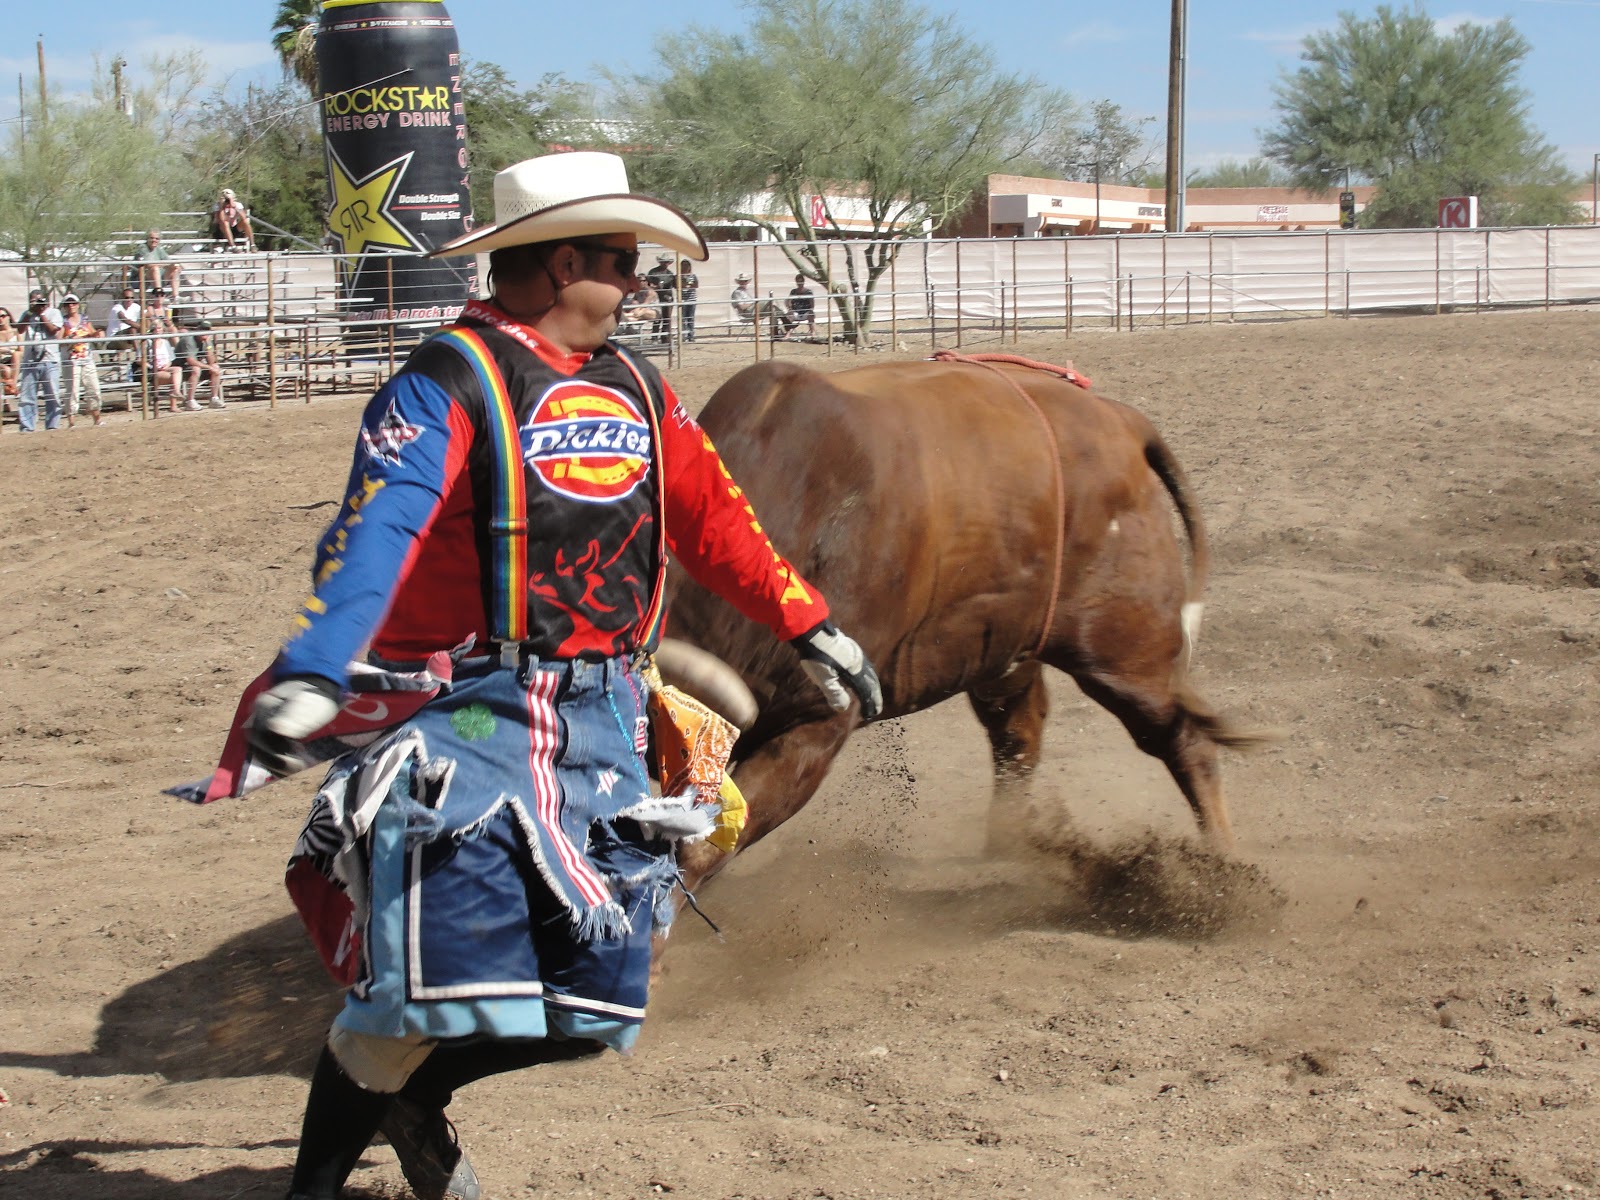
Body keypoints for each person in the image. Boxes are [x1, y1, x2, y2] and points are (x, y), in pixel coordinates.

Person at [240, 150, 882, 1200]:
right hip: (474, 721)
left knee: (602, 1000)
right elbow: (382, 526)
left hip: (605, 718)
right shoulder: (446, 380)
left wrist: (810, 623)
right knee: (423, 994)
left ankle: (407, 1097)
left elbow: (713, 520)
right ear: (563, 265)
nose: (637, 283)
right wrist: (316, 665)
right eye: (622, 262)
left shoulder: (638, 388)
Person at [16, 290, 63, 432]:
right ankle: (27, 427)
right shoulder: (27, 314)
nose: (36, 303)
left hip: (50, 359)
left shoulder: (54, 312)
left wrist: (41, 314)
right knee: (27, 396)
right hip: (30, 360)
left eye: (39, 300)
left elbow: (52, 330)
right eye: (33, 300)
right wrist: (30, 313)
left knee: (52, 394)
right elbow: (20, 329)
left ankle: (52, 425)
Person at [59, 294, 104, 428]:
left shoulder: (85, 319)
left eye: (73, 303)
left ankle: (97, 418)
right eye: (68, 304)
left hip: (86, 359)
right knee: (72, 391)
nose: (71, 306)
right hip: (71, 360)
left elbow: (91, 333)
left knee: (93, 388)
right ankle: (72, 421)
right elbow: (58, 340)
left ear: (78, 305)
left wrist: (98, 334)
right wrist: (69, 340)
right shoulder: (63, 322)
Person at [172, 313, 225, 408]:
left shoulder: (207, 341)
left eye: (207, 330)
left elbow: (212, 361)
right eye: (203, 329)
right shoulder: (188, 339)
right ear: (197, 329)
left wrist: (208, 346)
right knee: (196, 369)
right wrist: (209, 367)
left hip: (195, 367)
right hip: (180, 367)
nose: (205, 332)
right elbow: (190, 360)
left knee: (215, 367)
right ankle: (190, 400)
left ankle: (214, 398)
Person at [136, 230, 182, 298]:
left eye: (157, 239)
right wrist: (166, 265)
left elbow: (168, 261)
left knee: (175, 269)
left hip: (158, 277)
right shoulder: (143, 248)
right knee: (155, 268)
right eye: (151, 238)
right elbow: (149, 264)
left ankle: (176, 297)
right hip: (143, 278)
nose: (154, 240)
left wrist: (174, 266)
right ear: (147, 239)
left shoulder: (158, 248)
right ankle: (159, 295)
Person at [643, 252, 676, 343]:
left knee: (667, 318)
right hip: (656, 297)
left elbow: (673, 285)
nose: (664, 264)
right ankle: (654, 337)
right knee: (657, 317)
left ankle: (665, 337)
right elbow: (648, 284)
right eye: (663, 262)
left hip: (667, 297)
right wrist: (655, 287)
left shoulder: (670, 274)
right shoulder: (653, 272)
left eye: (666, 262)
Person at [105, 287, 142, 360]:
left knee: (145, 328)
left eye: (132, 298)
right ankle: (139, 354)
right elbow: (125, 320)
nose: (129, 300)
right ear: (122, 298)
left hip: (127, 338)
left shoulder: (135, 306)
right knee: (132, 329)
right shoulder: (117, 308)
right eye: (127, 298)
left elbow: (147, 314)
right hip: (113, 339)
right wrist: (142, 328)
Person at [787, 273, 816, 338]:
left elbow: (812, 304)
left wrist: (811, 310)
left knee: (811, 314)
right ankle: (788, 333)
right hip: (796, 312)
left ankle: (812, 332)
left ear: (803, 282)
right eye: (798, 282)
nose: (800, 284)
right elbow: (789, 301)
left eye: (801, 282)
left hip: (806, 312)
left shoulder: (808, 292)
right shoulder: (793, 292)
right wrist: (790, 309)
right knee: (789, 315)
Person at [0, 307, 18, 411]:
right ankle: (12, 387)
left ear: (8, 317)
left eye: (3, 316)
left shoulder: (16, 332)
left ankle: (12, 385)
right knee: (6, 370)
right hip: (1, 361)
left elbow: (21, 349)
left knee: (16, 355)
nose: (1, 318)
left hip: (13, 361)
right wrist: (9, 350)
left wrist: (6, 350)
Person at [677, 258, 699, 341]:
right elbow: (678, 285)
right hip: (682, 300)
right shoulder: (678, 276)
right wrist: (686, 284)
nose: (685, 267)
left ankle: (691, 335)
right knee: (683, 318)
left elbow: (695, 285)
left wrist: (687, 284)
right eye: (683, 265)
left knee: (690, 318)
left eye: (686, 265)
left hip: (691, 299)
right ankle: (684, 335)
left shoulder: (692, 276)